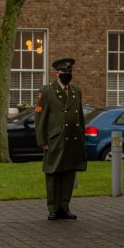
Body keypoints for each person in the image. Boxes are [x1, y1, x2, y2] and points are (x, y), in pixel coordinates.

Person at [37, 58, 87, 221]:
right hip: (55, 140)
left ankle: (64, 206)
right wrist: (42, 141)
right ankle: (53, 208)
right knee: (53, 173)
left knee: (68, 174)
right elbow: (40, 118)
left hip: (72, 140)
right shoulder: (47, 92)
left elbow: (79, 116)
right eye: (64, 72)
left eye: (70, 72)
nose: (67, 74)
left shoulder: (76, 92)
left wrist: (81, 137)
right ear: (57, 73)